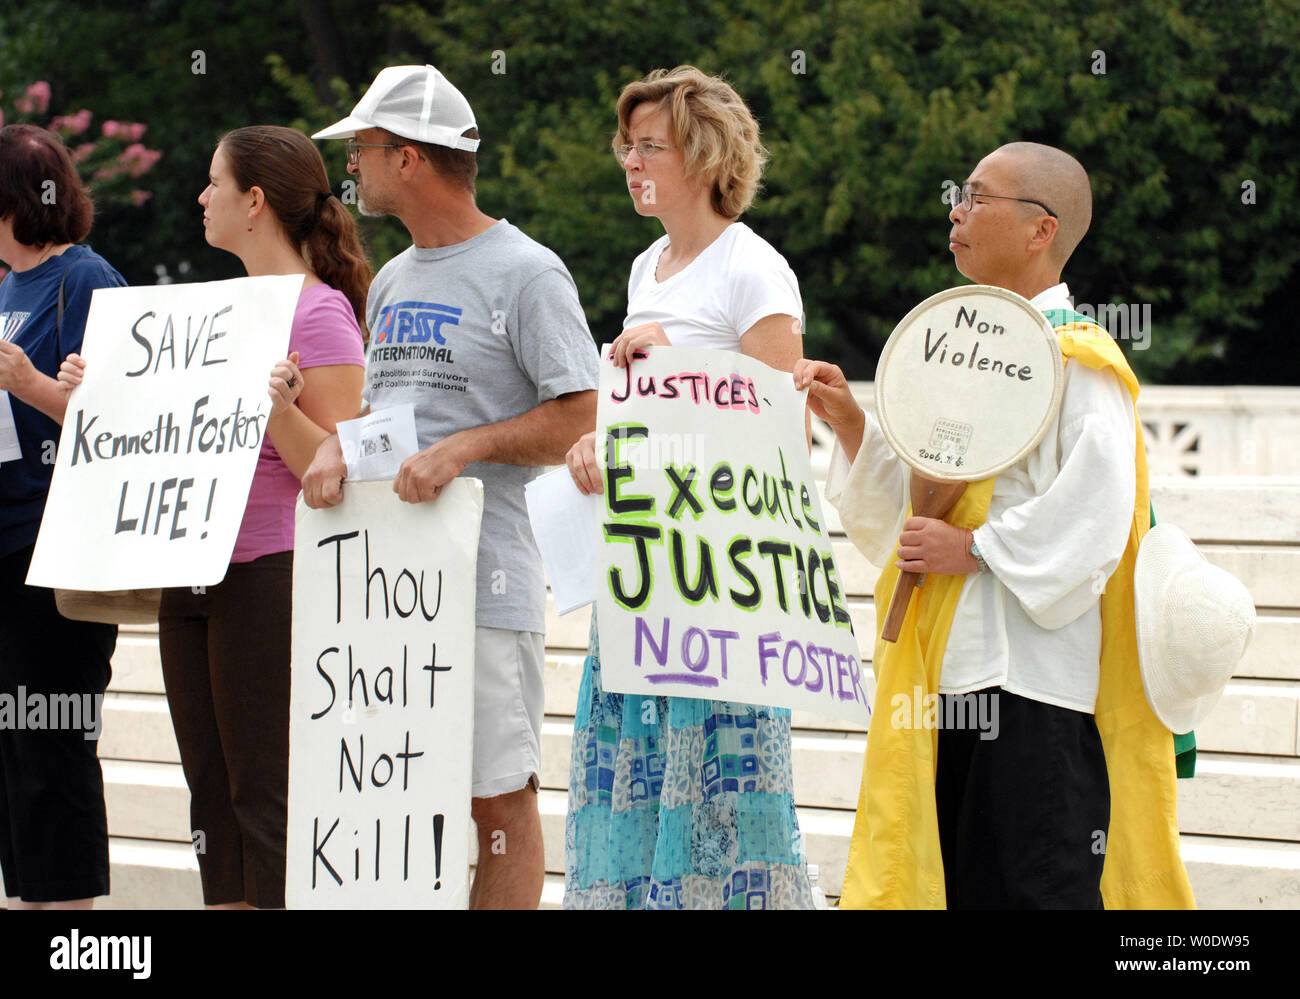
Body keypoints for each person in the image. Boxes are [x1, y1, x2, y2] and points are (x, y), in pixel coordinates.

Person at [794, 142, 1194, 908]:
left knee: (1033, 886)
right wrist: (850, 424)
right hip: (946, 675)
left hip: (1037, 685)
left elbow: (1099, 510)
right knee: (959, 885)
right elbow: (923, 509)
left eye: (977, 198)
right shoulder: (960, 348)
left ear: (1041, 230)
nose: (956, 211)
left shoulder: (1079, 356)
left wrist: (975, 549)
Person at [304, 65, 599, 909]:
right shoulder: (393, 279)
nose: (349, 167)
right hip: (386, 587)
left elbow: (581, 414)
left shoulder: (526, 272)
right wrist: (337, 444)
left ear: (409, 159)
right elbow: (393, 420)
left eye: (361, 149)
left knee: (496, 797)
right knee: (401, 793)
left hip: (485, 582)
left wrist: (469, 447)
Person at [62, 125, 370, 909]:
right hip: (190, 569)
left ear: (255, 201)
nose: (201, 197)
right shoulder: (215, 312)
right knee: (210, 795)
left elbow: (337, 470)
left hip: (270, 570)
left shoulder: (322, 314)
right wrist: (94, 391)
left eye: (212, 183)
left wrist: (271, 406)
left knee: (262, 794)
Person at [561, 66, 813, 910]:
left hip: (718, 584)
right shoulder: (648, 266)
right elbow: (648, 414)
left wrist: (673, 361)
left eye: (650, 147)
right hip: (645, 570)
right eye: (626, 146)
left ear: (703, 155)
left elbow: (783, 430)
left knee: (718, 799)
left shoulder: (755, 269)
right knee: (635, 777)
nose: (631, 162)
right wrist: (600, 446)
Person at [0, 124, 126, 910]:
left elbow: (121, 418)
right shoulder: (6, 287)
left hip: (56, 549)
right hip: (6, 545)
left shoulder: (84, 280)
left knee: (54, 742)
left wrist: (29, 383)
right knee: (15, 751)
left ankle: (70, 924)